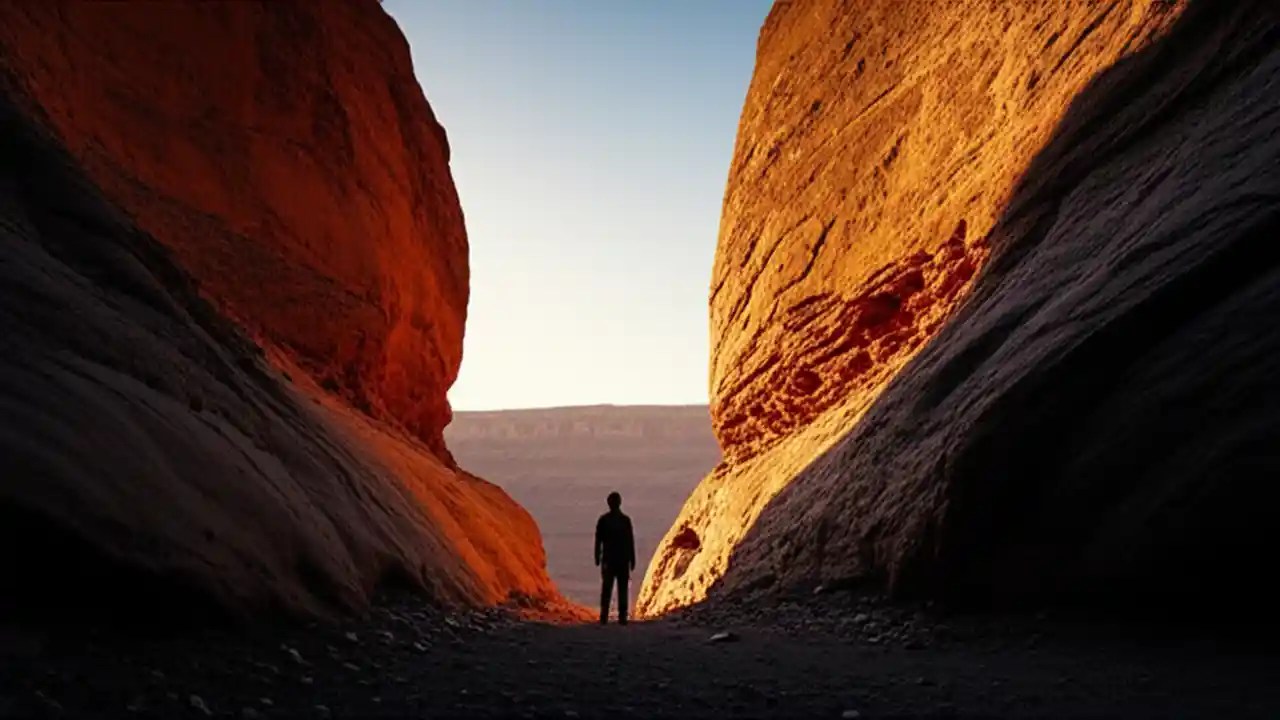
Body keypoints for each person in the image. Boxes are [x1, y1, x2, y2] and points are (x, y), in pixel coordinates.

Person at [594, 491, 635, 625]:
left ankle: (605, 617)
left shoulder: (604, 520)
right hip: (620, 560)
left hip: (611, 560)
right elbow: (630, 541)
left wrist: (597, 556)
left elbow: (598, 540)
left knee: (608, 589)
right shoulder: (624, 520)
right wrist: (632, 558)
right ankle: (621, 617)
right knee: (620, 589)